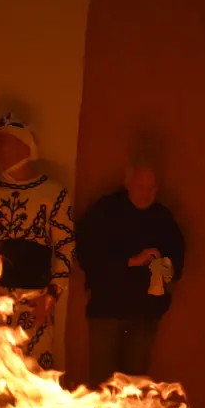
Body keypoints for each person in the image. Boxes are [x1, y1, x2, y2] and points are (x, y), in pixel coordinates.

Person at [0, 113, 74, 369]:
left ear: (24, 145)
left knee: (30, 374)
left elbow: (65, 245)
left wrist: (52, 294)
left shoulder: (54, 194)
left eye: (2, 142)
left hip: (31, 297)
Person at [76, 158, 185, 387]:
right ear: (127, 182)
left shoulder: (162, 220)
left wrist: (161, 265)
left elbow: (176, 267)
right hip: (106, 311)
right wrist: (131, 261)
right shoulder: (105, 212)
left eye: (152, 188)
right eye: (141, 187)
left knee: (134, 387)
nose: (147, 193)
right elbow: (88, 256)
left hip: (144, 316)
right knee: (101, 385)